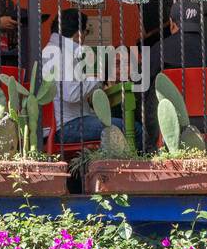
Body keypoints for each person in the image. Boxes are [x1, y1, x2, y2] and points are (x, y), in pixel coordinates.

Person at [142, 0, 207, 149]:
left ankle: (157, 158)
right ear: (199, 23)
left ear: (172, 24)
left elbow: (141, 90)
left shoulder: (159, 50)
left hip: (170, 123)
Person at [43, 8, 139, 148]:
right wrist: (98, 79)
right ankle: (138, 166)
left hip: (58, 125)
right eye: (86, 32)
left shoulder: (50, 51)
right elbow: (72, 94)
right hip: (69, 126)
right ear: (78, 33)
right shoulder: (62, 54)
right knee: (134, 128)